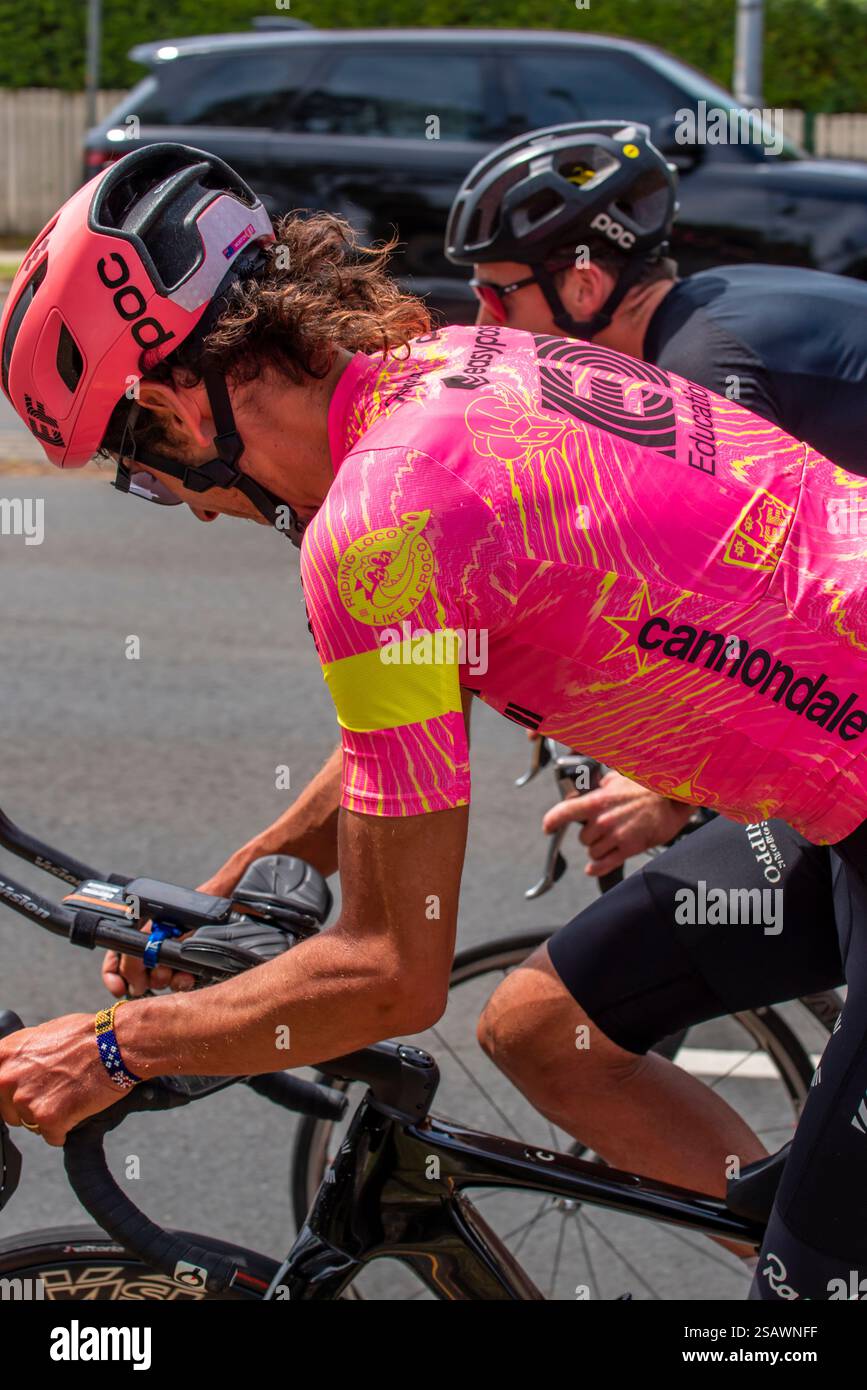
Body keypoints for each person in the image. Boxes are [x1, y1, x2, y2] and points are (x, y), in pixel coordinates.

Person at [0, 141, 865, 1302]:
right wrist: (246, 879)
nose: (194, 513)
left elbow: (391, 975)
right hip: (836, 793)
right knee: (547, 1023)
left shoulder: (375, 531)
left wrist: (110, 1050)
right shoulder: (454, 365)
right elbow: (411, 709)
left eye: (149, 477)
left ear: (168, 399)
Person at [446, 118, 867, 877]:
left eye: (497, 294)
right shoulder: (707, 306)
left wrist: (661, 790)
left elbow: (750, 606)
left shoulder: (701, 371)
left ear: (582, 285)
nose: (481, 323)